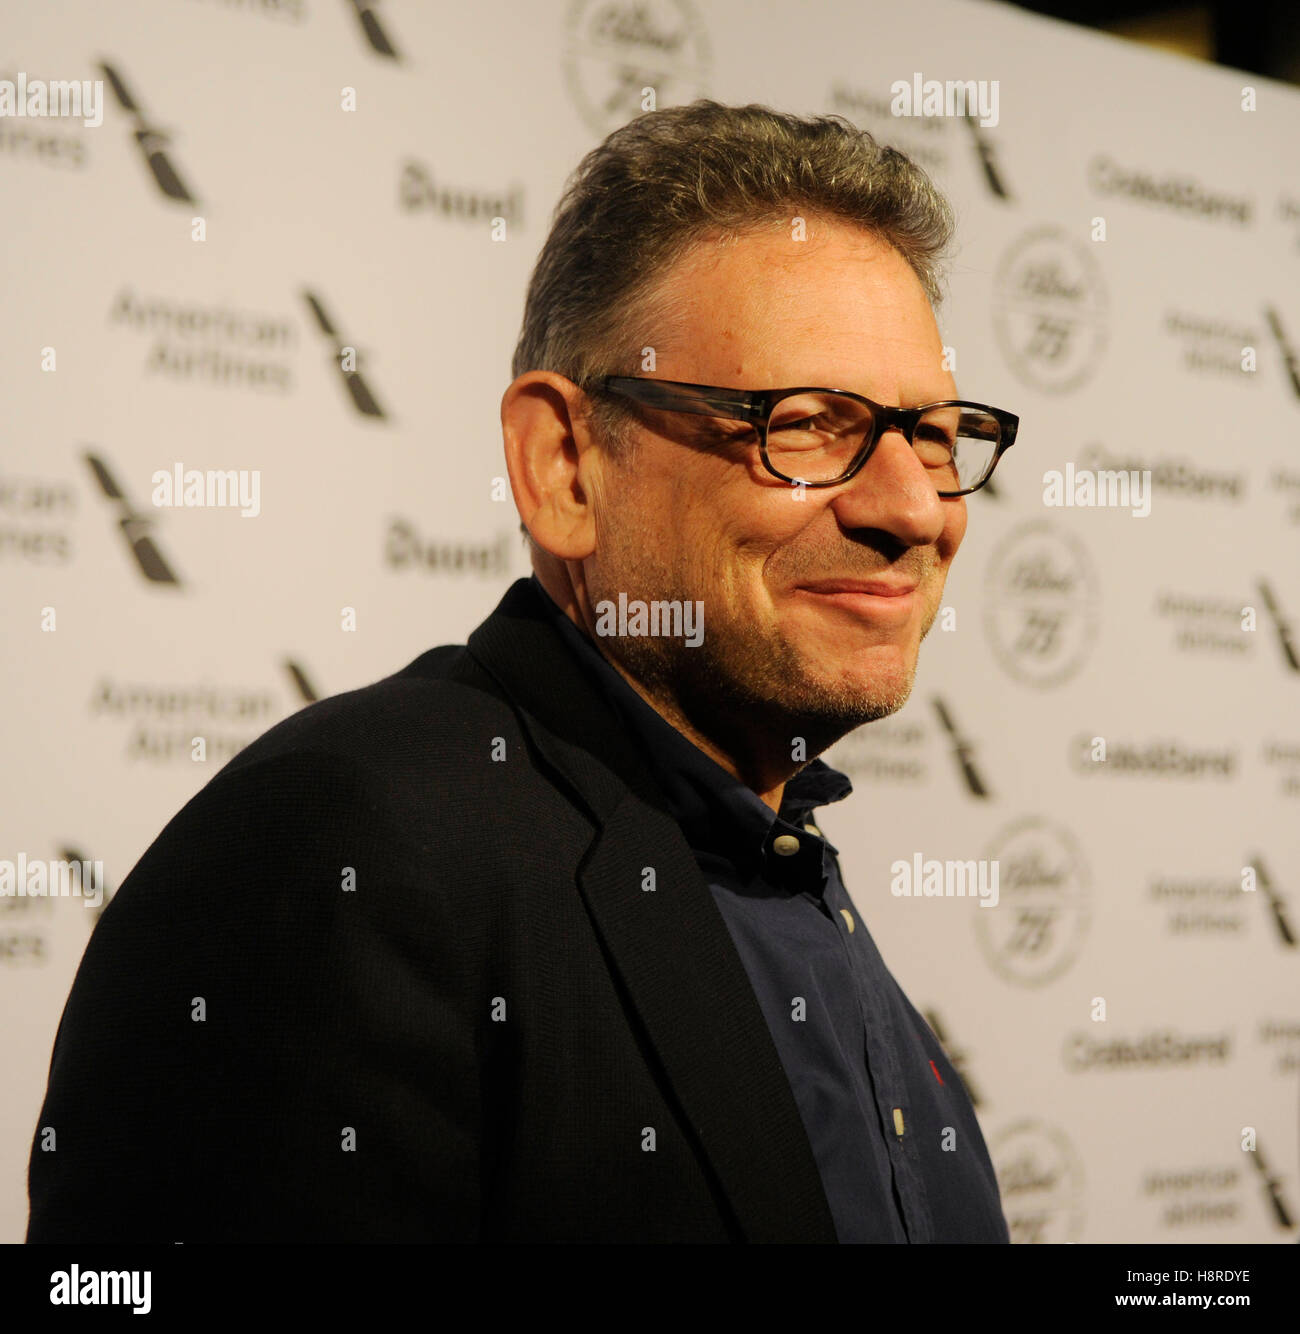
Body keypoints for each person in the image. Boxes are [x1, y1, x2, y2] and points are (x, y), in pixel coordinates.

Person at [28, 100, 1016, 1243]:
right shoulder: (343, 851)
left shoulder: (787, 881)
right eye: (806, 422)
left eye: (933, 435)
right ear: (564, 465)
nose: (911, 507)